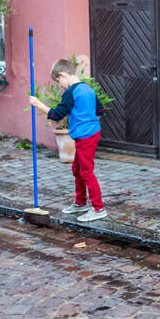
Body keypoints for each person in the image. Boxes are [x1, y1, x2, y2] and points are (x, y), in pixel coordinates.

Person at [29, 59, 106, 222]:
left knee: (86, 171)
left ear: (63, 75)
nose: (59, 85)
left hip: (85, 136)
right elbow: (99, 111)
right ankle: (80, 203)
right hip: (90, 134)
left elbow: (57, 115)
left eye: (58, 81)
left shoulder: (71, 92)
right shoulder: (89, 89)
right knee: (77, 169)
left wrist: (37, 104)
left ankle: (98, 208)